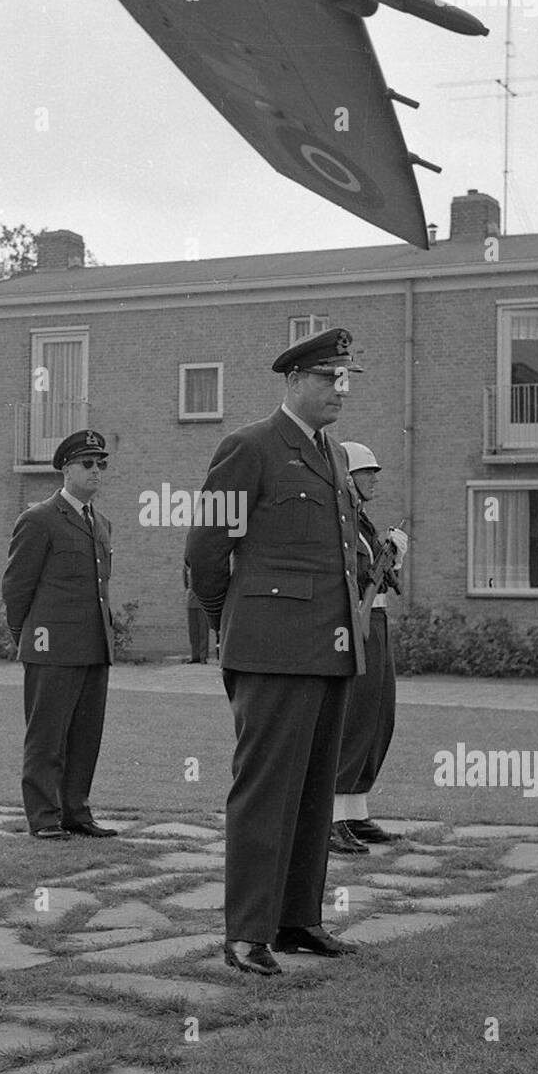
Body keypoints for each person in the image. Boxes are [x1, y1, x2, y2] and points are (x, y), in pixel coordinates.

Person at [186, 326, 366, 976]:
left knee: (315, 793)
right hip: (270, 652)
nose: (338, 390)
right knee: (265, 792)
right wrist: (236, 629)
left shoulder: (336, 456)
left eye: (344, 379)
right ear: (292, 381)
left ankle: (296, 921)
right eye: (327, 378)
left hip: (331, 650)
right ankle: (246, 934)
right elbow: (205, 553)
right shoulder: (251, 448)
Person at [2, 428, 117, 840]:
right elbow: (17, 588)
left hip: (92, 646)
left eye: (101, 464)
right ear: (66, 470)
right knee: (47, 736)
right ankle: (44, 817)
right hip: (51, 648)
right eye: (88, 464)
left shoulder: (100, 523)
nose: (96, 471)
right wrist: (28, 637)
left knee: (86, 738)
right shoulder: (39, 519)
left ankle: (76, 813)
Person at [330, 442, 407, 854]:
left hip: (376, 621)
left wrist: (392, 557)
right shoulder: (339, 521)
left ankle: (356, 810)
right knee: (355, 717)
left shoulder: (363, 521)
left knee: (380, 715)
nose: (374, 478)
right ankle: (334, 817)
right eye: (367, 472)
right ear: (347, 477)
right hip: (354, 623)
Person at [184, 561, 210, 663]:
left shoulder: (205, 564)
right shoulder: (186, 566)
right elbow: (186, 582)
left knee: (203, 629)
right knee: (193, 630)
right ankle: (195, 656)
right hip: (191, 599)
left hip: (202, 599)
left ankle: (203, 656)